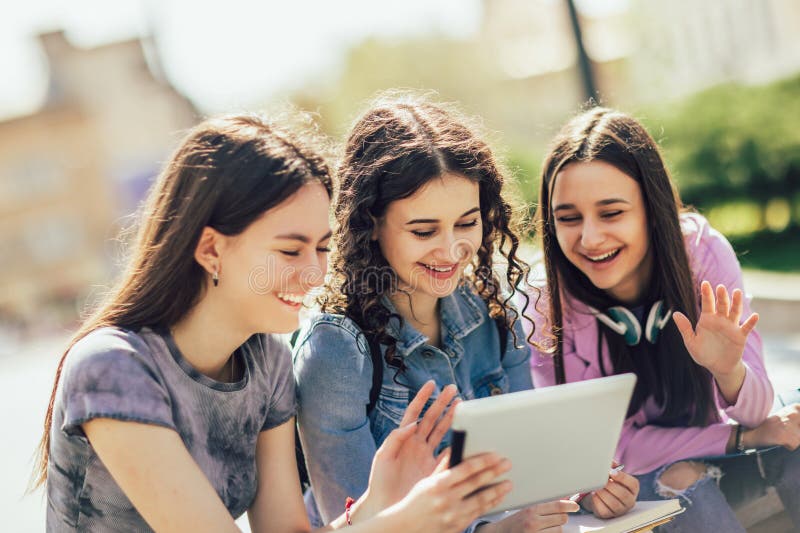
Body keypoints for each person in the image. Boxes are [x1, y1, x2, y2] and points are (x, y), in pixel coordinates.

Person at [33, 113, 515, 533]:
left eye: (323, 248)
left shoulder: (268, 362)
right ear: (210, 249)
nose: (315, 273)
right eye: (290, 250)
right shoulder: (114, 367)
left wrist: (377, 500)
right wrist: (408, 521)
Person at [293, 94, 638, 533]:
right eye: (424, 230)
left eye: (466, 222)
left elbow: (530, 468)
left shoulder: (496, 315)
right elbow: (358, 524)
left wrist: (583, 487)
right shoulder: (336, 349)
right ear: (371, 222)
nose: (452, 249)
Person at [522, 106, 800, 531]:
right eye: (568, 218)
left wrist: (729, 371)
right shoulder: (545, 302)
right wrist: (737, 439)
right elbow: (611, 448)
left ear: (652, 210)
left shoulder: (702, 254)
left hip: (719, 439)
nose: (590, 237)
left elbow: (758, 410)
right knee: (681, 478)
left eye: (611, 213)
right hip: (643, 473)